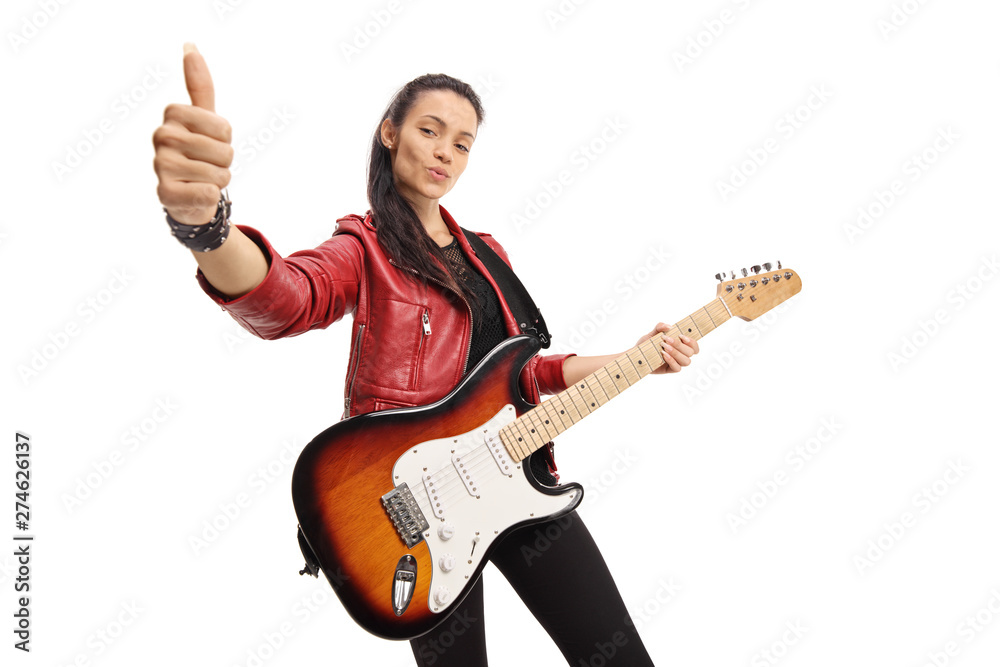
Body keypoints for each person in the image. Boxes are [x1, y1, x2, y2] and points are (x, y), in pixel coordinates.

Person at [152, 43, 700, 666]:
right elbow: (289, 299)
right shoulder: (364, 246)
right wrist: (206, 230)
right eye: (431, 130)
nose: (446, 151)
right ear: (390, 133)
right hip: (416, 506)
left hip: (520, 487)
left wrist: (635, 358)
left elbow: (525, 374)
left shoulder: (487, 254)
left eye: (463, 143)